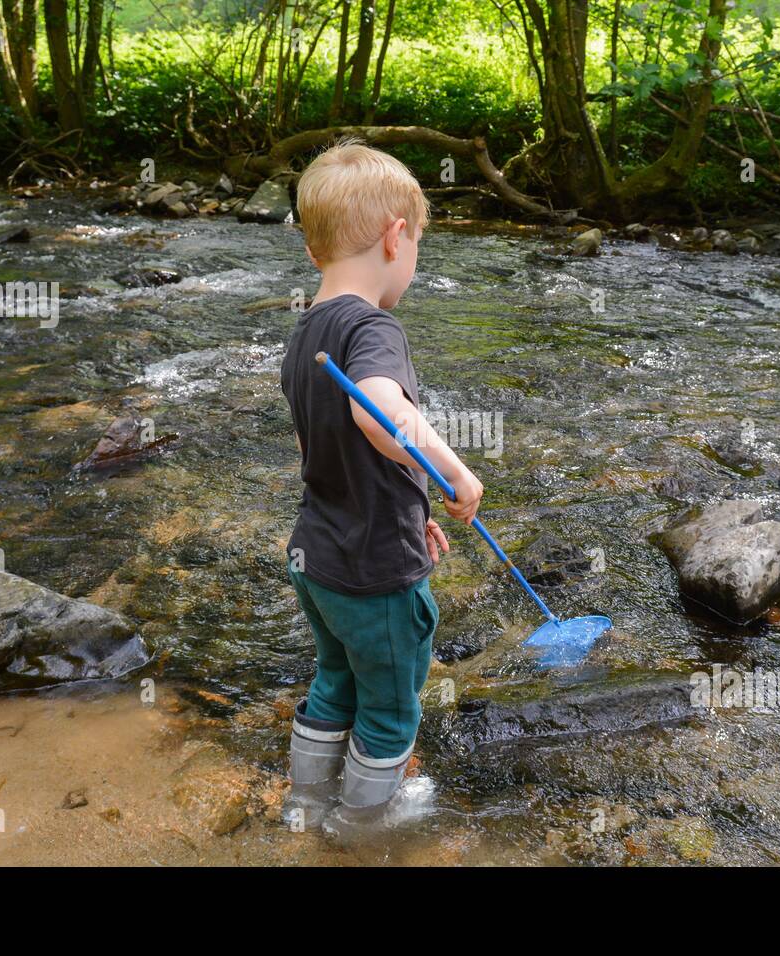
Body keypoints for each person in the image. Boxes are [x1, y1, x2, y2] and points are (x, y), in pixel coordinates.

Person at [279, 139, 485, 831]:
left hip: (318, 559)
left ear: (316, 252)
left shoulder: (305, 330)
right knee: (393, 703)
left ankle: (304, 804)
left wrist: (410, 504)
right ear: (397, 237)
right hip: (373, 572)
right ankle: (362, 823)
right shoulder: (374, 327)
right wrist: (451, 473)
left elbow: (320, 452)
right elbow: (378, 413)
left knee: (334, 680)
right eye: (418, 245)